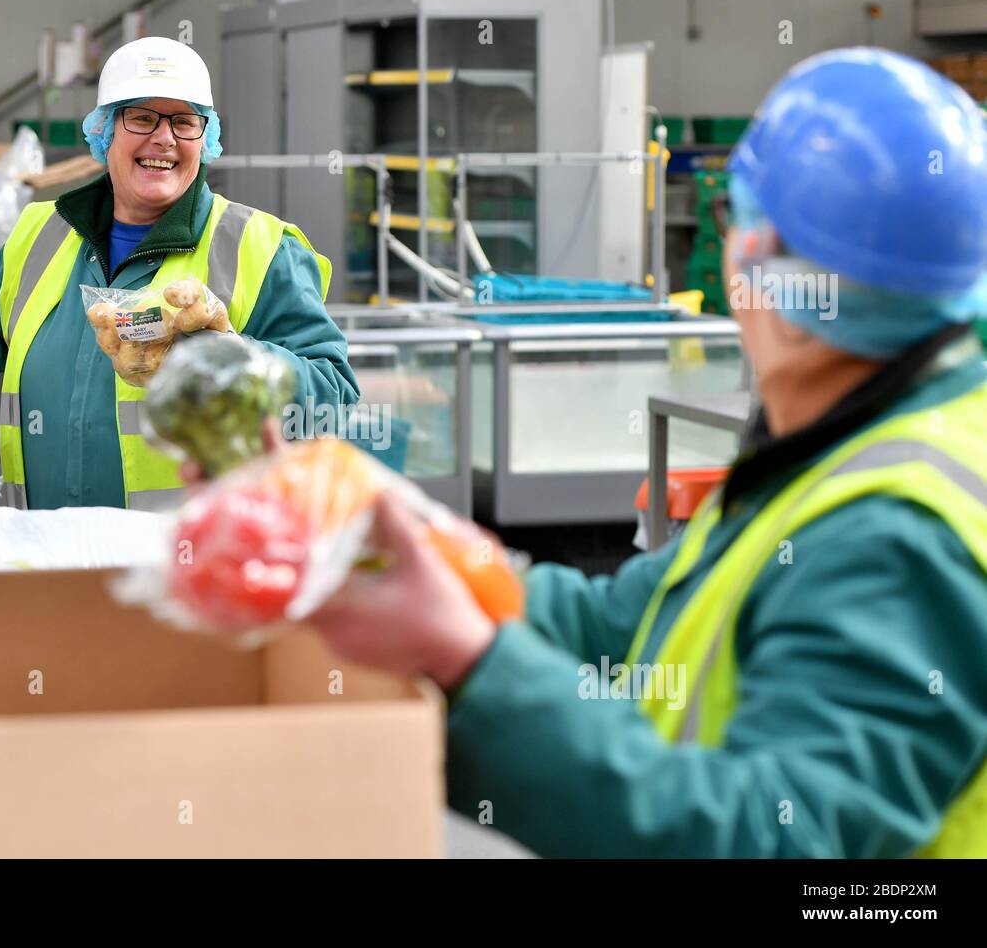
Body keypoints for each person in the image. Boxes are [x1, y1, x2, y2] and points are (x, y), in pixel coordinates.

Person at [306, 48, 987, 857]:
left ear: (755, 259)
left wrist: (472, 664)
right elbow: (629, 621)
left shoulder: (896, 533)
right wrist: (438, 555)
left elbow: (775, 844)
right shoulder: (849, 436)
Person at [0, 37, 357, 510]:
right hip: (47, 562)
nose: (163, 139)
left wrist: (236, 362)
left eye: (184, 122)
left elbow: (334, 400)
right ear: (103, 132)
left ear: (205, 139)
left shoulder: (260, 248)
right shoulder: (42, 232)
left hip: (185, 579)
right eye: (141, 117)